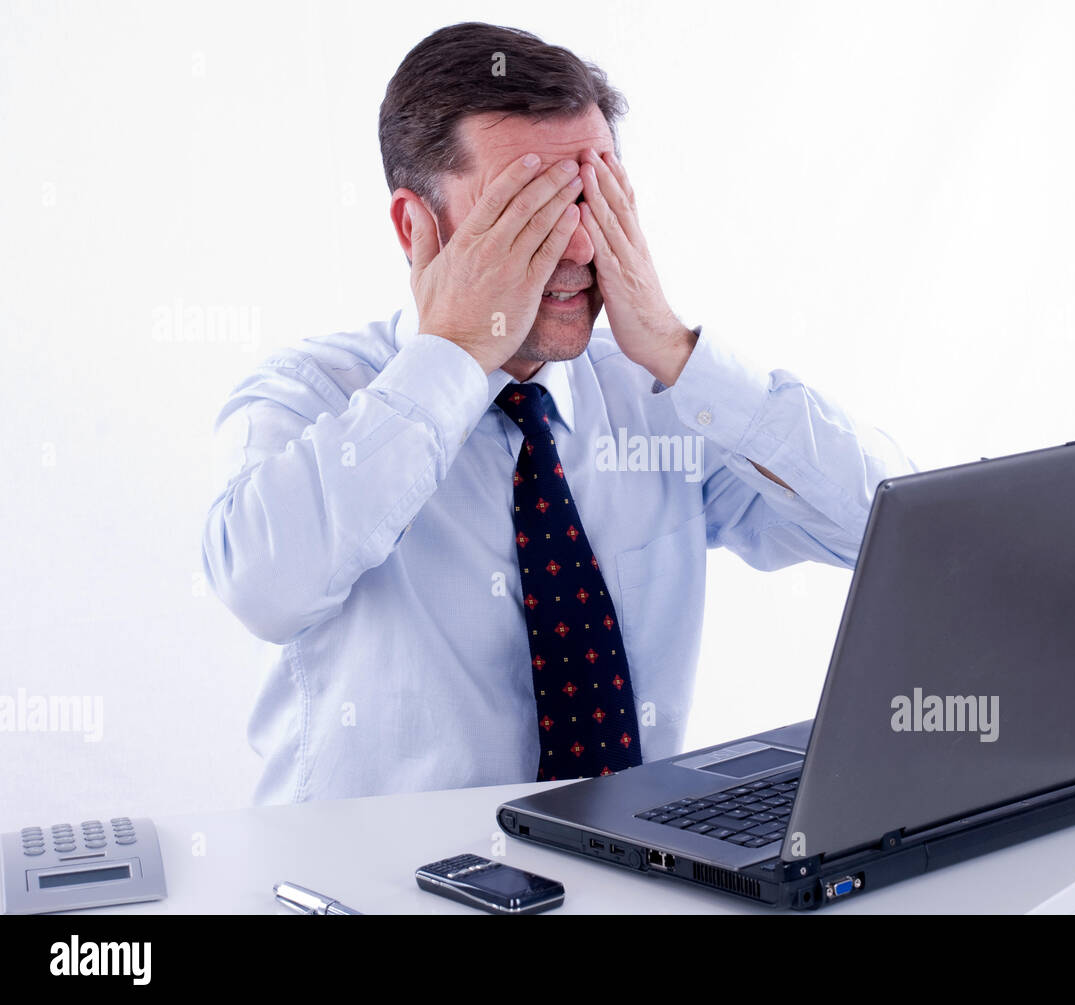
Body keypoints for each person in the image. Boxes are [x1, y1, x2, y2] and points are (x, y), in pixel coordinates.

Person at [202, 21, 915, 804]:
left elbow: (894, 533)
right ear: (417, 228)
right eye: (529, 211)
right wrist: (456, 353)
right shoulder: (312, 397)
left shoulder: (659, 399)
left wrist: (679, 352)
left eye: (591, 195)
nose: (577, 245)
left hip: (619, 876)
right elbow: (264, 586)